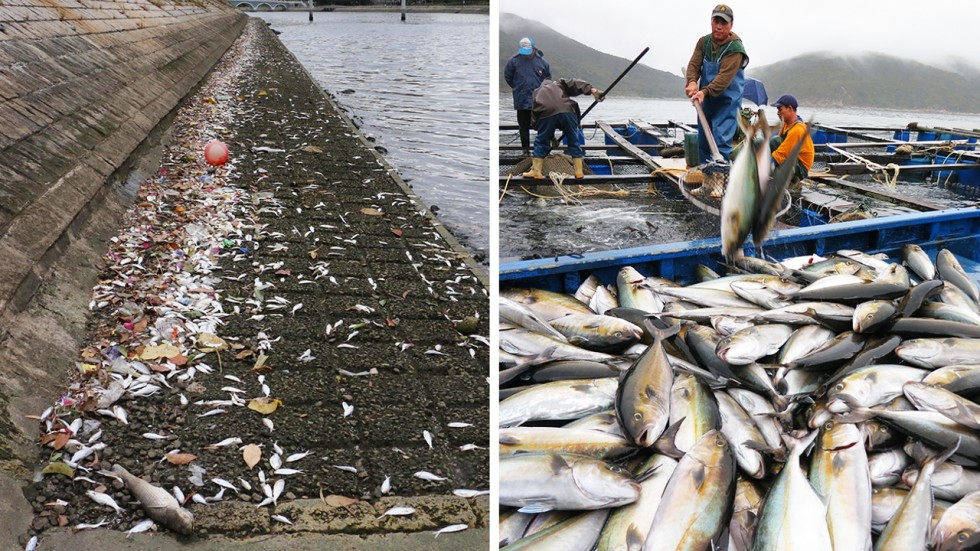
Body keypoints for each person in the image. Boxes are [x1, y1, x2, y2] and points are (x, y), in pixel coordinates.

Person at [685, 4, 748, 164]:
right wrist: (692, 81)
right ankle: (706, 174)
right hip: (706, 100)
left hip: (727, 102)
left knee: (721, 140)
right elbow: (694, 64)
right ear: (711, 21)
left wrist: (703, 92)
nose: (719, 27)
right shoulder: (703, 42)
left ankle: (721, 175)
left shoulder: (736, 48)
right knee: (703, 140)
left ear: (731, 24)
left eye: (724, 23)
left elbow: (723, 79)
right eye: (716, 21)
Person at [521, 78, 604, 180]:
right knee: (573, 140)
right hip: (568, 111)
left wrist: (549, 137)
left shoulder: (536, 92)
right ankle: (579, 171)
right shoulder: (559, 83)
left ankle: (536, 172)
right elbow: (574, 83)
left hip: (546, 113)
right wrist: (593, 90)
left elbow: (537, 119)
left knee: (541, 142)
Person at [504, 37, 551, 156]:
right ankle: (525, 151)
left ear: (534, 49)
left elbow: (548, 80)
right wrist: (517, 87)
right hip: (521, 100)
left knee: (542, 125)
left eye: (528, 52)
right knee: (523, 126)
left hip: (539, 101)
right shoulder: (513, 61)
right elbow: (508, 77)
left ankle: (542, 150)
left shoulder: (543, 63)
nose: (526, 55)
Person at [770, 94, 814, 182]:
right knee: (775, 141)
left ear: (789, 109)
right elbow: (778, 145)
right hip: (793, 158)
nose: (778, 113)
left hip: (801, 168)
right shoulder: (787, 124)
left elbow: (781, 154)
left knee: (775, 143)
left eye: (780, 109)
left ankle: (790, 180)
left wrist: (762, 168)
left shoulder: (797, 130)